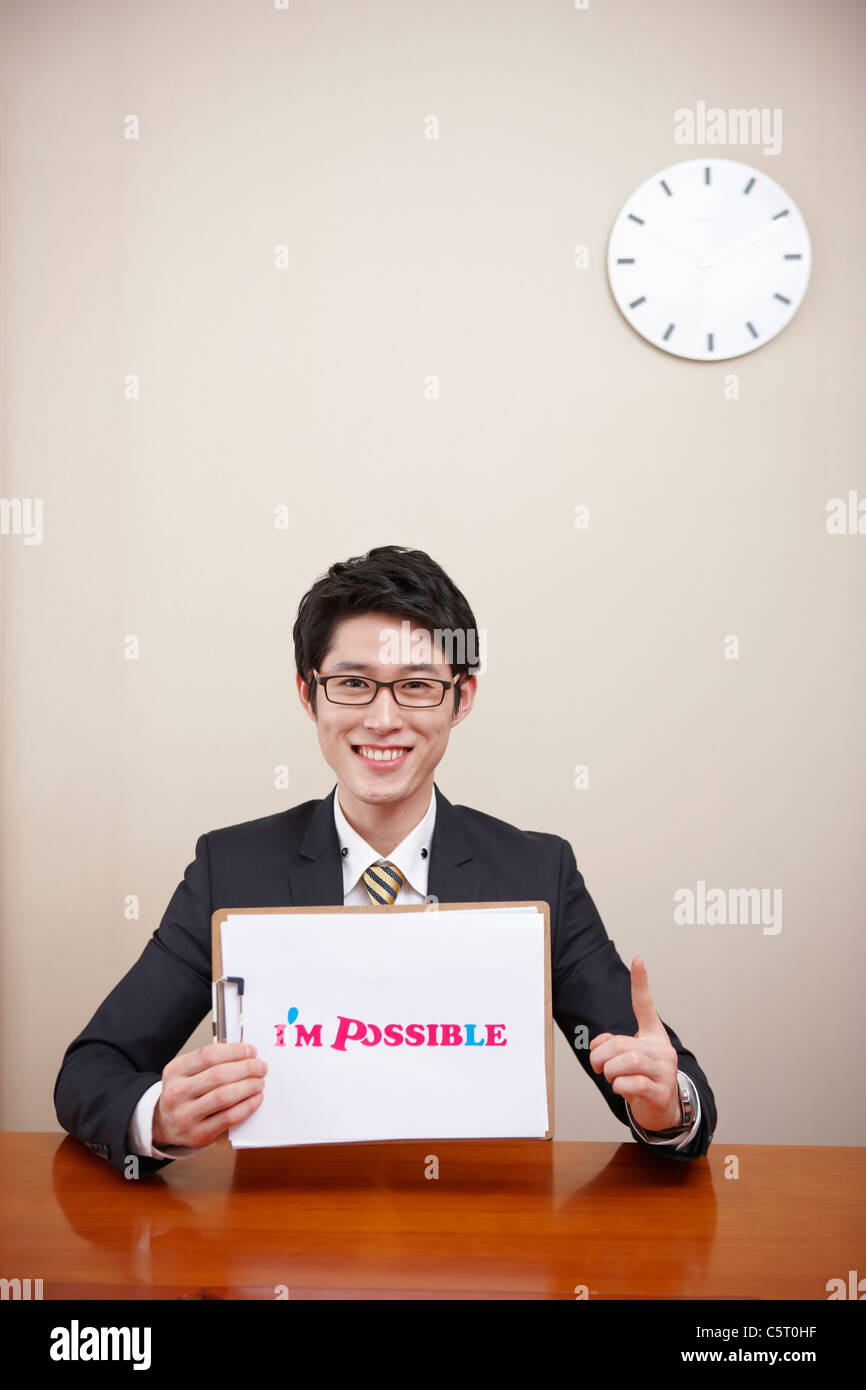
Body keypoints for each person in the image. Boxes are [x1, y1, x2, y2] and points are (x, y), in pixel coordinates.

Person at [54, 544, 716, 1175]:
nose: (382, 719)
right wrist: (158, 1120)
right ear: (307, 692)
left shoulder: (537, 872)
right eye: (352, 683)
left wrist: (667, 1106)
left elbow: (668, 1084)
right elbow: (90, 1071)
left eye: (417, 687)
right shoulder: (231, 869)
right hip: (285, 1239)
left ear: (463, 698)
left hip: (484, 1241)